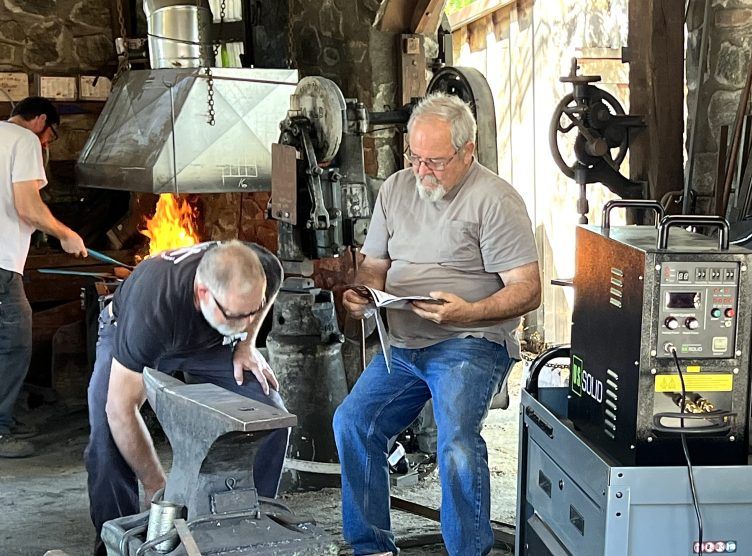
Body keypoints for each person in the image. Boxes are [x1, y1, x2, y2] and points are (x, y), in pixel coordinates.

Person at [334, 92, 540, 556]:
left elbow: (528, 290)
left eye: (436, 162)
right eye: (415, 157)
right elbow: (374, 264)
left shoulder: (496, 200)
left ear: (469, 151)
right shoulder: (395, 188)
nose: (422, 171)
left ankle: (469, 550)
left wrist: (465, 312)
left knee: (456, 446)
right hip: (403, 342)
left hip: (468, 340)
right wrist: (363, 293)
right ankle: (371, 548)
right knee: (352, 422)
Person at [84, 240, 286, 549]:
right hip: (129, 331)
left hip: (209, 341)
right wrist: (157, 486)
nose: (245, 322)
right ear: (203, 292)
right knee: (107, 432)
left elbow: (274, 277)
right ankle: (115, 542)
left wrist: (246, 343)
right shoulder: (152, 306)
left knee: (268, 416)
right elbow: (120, 408)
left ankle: (242, 529)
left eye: (252, 312)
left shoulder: (258, 265)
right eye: (237, 314)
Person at [0, 96, 87, 459]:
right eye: (50, 135)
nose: (47, 144)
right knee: (15, 339)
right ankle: (2, 428)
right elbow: (28, 206)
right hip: (1, 262)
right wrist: (66, 234)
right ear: (39, 121)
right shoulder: (24, 140)